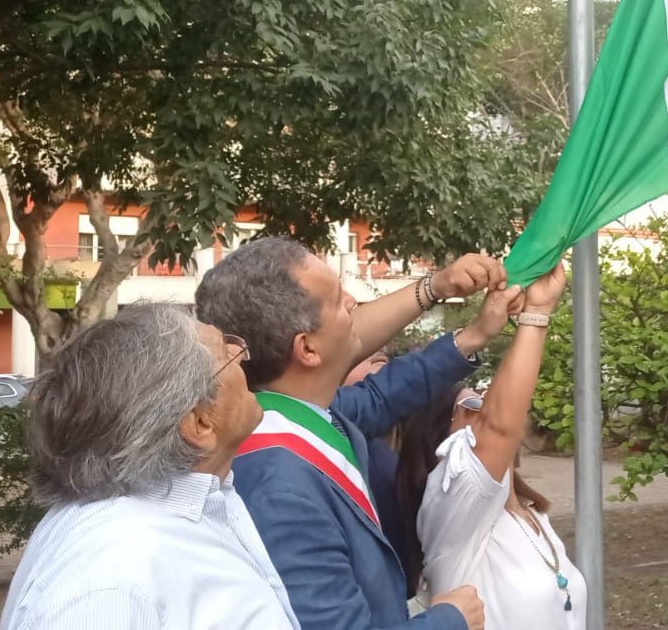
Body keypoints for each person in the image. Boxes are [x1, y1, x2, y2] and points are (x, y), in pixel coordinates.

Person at [196, 238, 510, 630]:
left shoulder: (296, 413)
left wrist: (473, 332)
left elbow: (382, 395)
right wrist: (450, 620)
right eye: (337, 299)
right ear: (307, 349)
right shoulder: (279, 487)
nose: (353, 304)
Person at [0, 304, 298, 629]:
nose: (240, 354)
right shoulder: (112, 577)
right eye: (225, 354)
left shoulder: (180, 512)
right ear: (200, 422)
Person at [407, 263, 580, 628]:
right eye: (472, 408)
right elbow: (498, 425)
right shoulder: (453, 500)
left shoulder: (532, 513)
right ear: (439, 438)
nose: (486, 409)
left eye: (485, 398)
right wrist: (536, 314)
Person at [345, 347, 420, 596]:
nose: (380, 364)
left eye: (382, 358)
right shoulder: (362, 454)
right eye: (366, 355)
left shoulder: (383, 455)